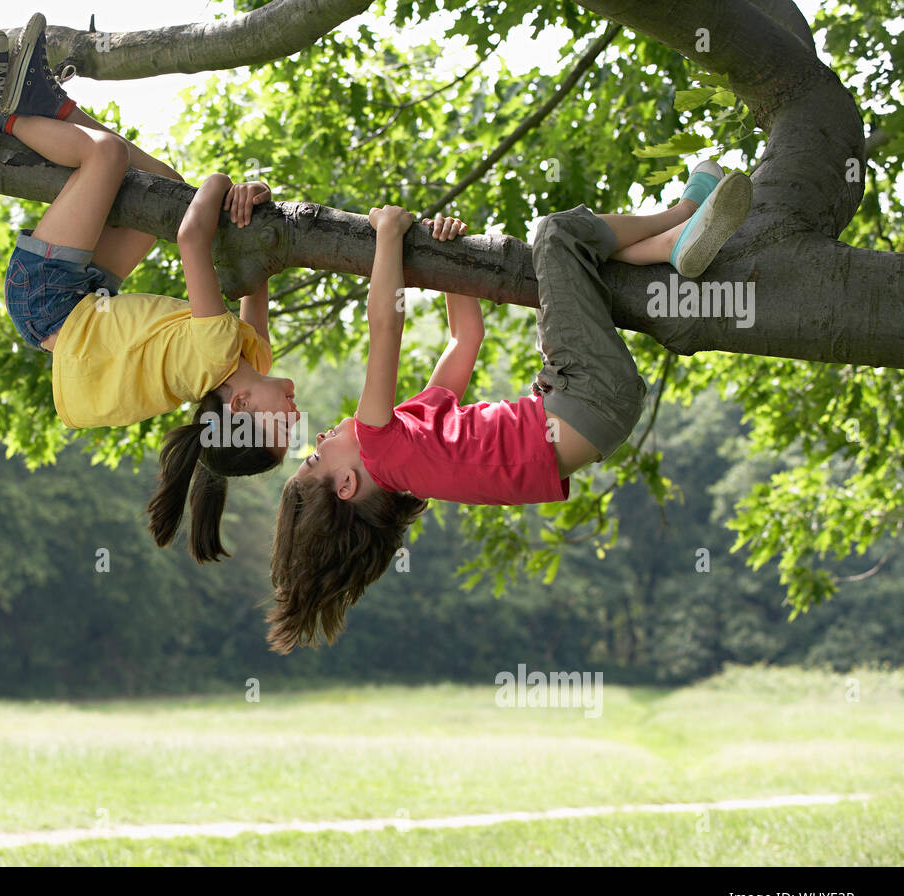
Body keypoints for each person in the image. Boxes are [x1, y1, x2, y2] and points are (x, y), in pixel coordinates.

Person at [265, 163, 753, 652]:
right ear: (347, 484)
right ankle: (685, 212)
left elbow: (464, 340)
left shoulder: (413, 452)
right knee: (555, 234)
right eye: (315, 458)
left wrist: (449, 259)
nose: (321, 437)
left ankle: (671, 248)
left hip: (591, 407)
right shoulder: (377, 444)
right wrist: (389, 235)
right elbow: (385, 328)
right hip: (582, 395)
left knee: (569, 265)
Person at [0, 15, 299, 560]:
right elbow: (251, 273)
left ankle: (2, 117)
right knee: (162, 189)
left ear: (239, 406)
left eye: (279, 424)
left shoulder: (214, 354)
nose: (294, 414)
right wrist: (253, 201)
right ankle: (48, 104)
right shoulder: (251, 359)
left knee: (110, 159)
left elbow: (193, 237)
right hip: (92, 295)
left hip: (49, 302)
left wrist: (220, 185)